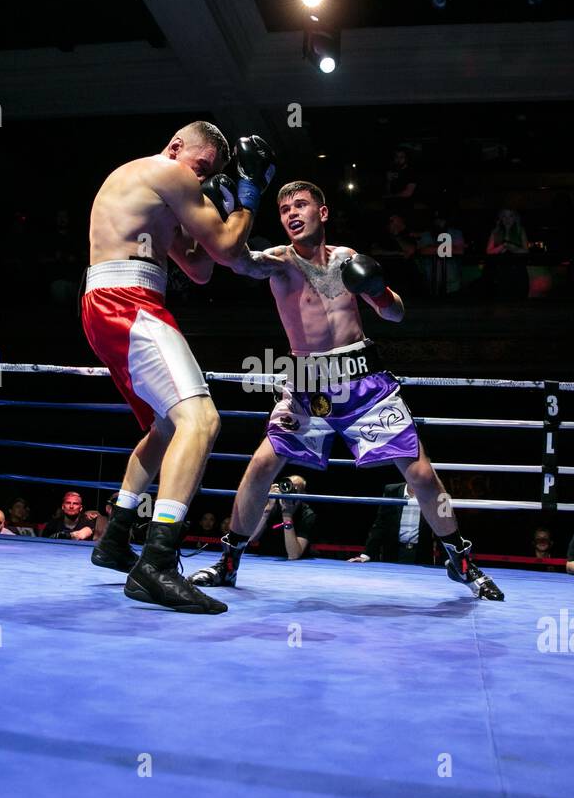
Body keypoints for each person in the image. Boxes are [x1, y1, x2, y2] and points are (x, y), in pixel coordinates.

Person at [189, 180, 503, 600]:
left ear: (323, 213)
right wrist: (243, 201)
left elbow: (394, 315)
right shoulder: (279, 263)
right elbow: (233, 259)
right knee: (261, 467)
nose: (291, 214)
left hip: (363, 382)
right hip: (305, 387)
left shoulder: (350, 259)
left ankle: (460, 560)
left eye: (300, 205)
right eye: (283, 210)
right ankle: (228, 562)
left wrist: (377, 289)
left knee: (422, 474)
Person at [82, 120, 279, 614]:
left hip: (110, 303)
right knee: (203, 420)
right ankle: (158, 562)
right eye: (202, 168)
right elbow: (229, 247)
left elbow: (201, 267)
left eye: (210, 174)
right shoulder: (168, 171)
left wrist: (226, 207)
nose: (202, 179)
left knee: (167, 429)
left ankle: (116, 537)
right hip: (129, 301)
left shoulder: (149, 192)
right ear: (176, 148)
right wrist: (250, 193)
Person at [348, 480, 433, 565]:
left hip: (422, 555)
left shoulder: (433, 494)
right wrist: (366, 555)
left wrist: (446, 559)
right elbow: (380, 524)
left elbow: (443, 528)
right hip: (393, 553)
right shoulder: (392, 491)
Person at [253, 476, 316, 559]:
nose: (289, 490)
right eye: (288, 485)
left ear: (303, 494)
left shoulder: (307, 514)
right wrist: (268, 508)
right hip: (265, 558)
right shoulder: (271, 504)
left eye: (295, 489)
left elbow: (293, 555)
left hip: (293, 566)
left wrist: (287, 515)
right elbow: (252, 539)